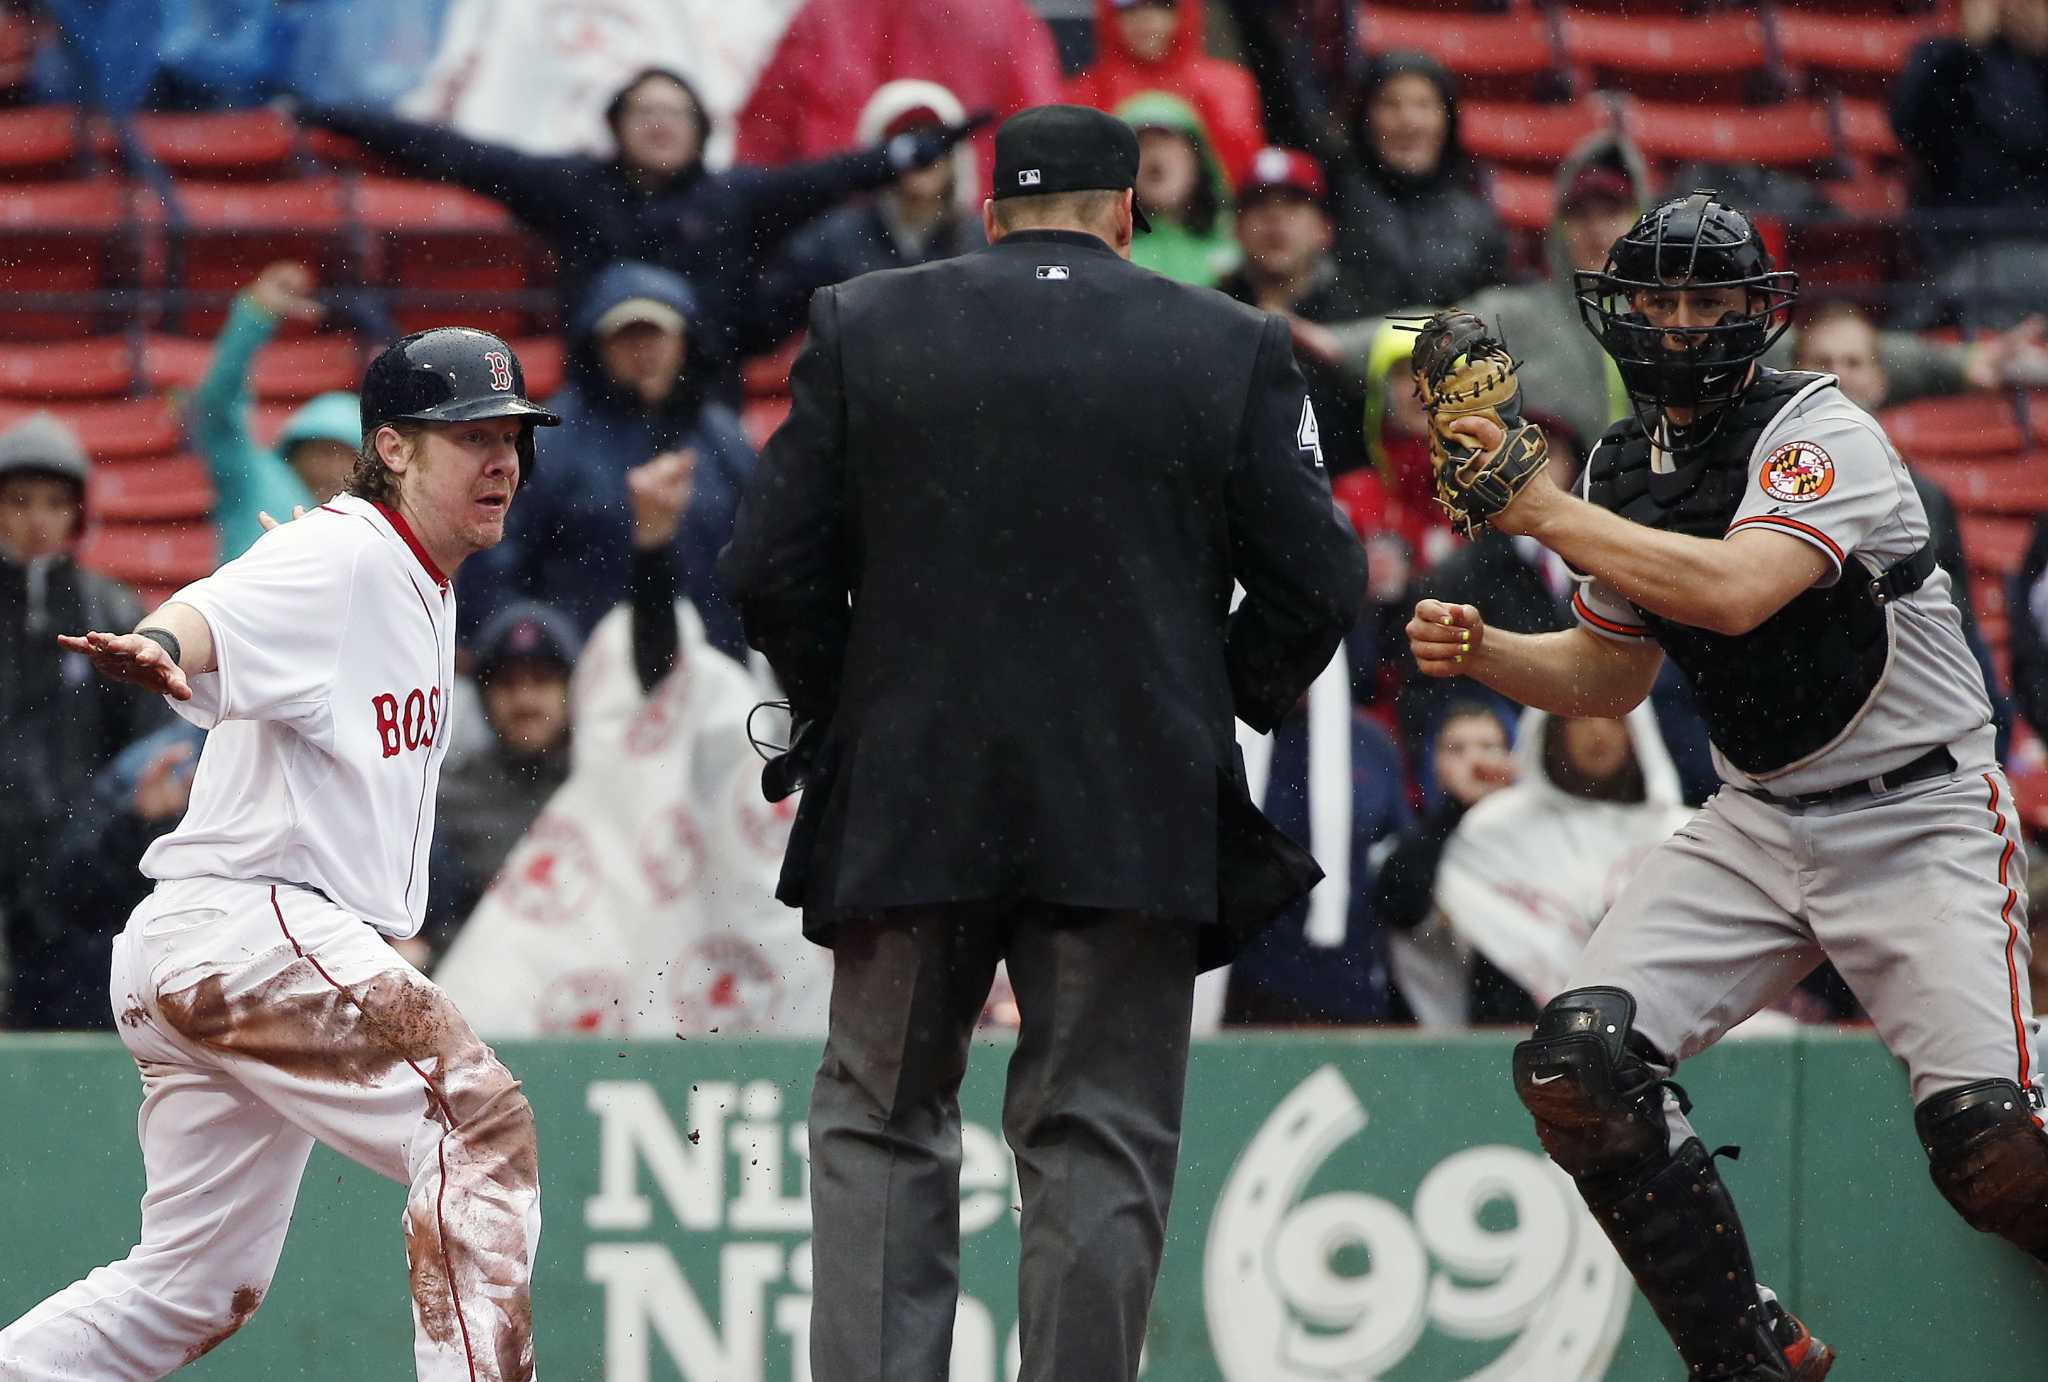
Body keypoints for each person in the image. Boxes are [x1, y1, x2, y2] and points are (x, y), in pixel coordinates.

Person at [719, 104, 1364, 1382]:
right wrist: (1212, 695)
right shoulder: (1228, 341)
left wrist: (843, 701)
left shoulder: (865, 321)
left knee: (882, 1119)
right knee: (1094, 1137)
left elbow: (763, 568)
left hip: (910, 798)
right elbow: (1319, 580)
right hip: (1130, 806)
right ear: (1128, 215)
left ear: (986, 207)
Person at [1409, 190, 2046, 1380]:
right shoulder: (1616, 461)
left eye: (1711, 299)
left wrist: (1536, 508)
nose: (1685, 323)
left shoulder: (1822, 429)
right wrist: (1488, 650)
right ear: (1621, 307)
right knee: (1573, 1064)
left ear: (1758, 317)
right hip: (1753, 819)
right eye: (1662, 296)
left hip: (1917, 815)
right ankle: (1742, 1352)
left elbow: (1738, 589)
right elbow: (1607, 673)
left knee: (1989, 1154)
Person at [0, 329, 559, 1378]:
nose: (502, 461)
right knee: (479, 1126)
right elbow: (208, 610)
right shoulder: (341, 553)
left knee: (189, 1288)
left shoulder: (409, 574)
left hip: (216, 949)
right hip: (250, 927)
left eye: (512, 438)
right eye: (471, 436)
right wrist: (161, 642)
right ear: (391, 447)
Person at [300, 67, 983, 395]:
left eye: (677, 111)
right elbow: (461, 158)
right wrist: (338, 118)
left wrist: (906, 154)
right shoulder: (573, 190)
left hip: (705, 411)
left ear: (700, 129)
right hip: (593, 412)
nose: (660, 123)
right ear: (618, 124)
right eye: (645, 110)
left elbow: (830, 178)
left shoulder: (735, 199)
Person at [458, 261, 756, 656]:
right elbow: (495, 567)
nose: (643, 351)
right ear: (596, 346)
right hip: (581, 679)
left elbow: (762, 560)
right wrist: (526, 663)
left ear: (685, 342)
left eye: (656, 335)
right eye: (627, 336)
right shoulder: (545, 444)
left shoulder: (725, 438)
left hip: (713, 676)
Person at [0, 412, 168, 1029]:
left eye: (53, 502)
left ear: (77, 512)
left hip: (89, 861)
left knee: (82, 1030)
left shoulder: (112, 608)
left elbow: (145, 738)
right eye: (18, 501)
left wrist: (134, 812)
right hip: (8, 859)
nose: (36, 519)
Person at [1433, 707, 1692, 1020]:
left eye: (1614, 716)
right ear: (1551, 728)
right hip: (1517, 1035)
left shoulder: (1681, 836)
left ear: (1636, 729)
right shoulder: (1494, 828)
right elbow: (1415, 922)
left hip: (1658, 1038)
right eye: (1578, 717)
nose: (1597, 730)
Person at [757, 79, 988, 346]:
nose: (925, 155)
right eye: (909, 139)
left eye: (937, 139)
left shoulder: (982, 242)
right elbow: (764, 320)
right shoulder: (834, 240)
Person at [1462, 133, 1646, 453]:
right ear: (1559, 228)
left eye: (1611, 213)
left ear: (1640, 219)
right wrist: (1344, 345)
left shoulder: (1675, 314)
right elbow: (1431, 331)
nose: (1596, 229)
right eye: (1581, 216)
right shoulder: (1517, 313)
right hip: (1556, 497)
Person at [430, 600, 581, 955]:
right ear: (483, 697)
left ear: (572, 690)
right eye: (508, 684)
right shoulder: (444, 800)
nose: (525, 700)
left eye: (542, 680)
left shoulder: (601, 787)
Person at [186, 261, 363, 561]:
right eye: (323, 452)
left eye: (346, 455)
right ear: (295, 452)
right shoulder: (254, 477)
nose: (333, 468)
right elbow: (218, 405)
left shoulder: (368, 520)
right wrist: (254, 315)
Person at [1890, 0, 2048, 328]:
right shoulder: (1942, 58)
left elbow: (2030, 135)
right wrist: (1968, 49)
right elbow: (1912, 129)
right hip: (1967, 249)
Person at [1218, 145, 1373, 477]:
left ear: (1324, 230)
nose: (1275, 219)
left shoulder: (1358, 315)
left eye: (1293, 205)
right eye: (1259, 206)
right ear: (1236, 229)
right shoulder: (1210, 311)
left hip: (1341, 501)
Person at [1375, 700, 1520, 1025]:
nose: (1475, 759)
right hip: (1439, 1029)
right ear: (1437, 762)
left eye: (1488, 746)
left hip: (1519, 1028)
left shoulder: (1537, 843)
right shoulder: (1415, 846)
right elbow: (1403, 905)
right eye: (1457, 749)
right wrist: (1460, 810)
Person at [1330, 51, 1507, 317]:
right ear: (1365, 119)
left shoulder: (1477, 220)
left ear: (1447, 121)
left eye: (1424, 105)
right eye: (1390, 105)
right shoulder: (1332, 199)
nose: (1409, 122)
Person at [1063, 0, 1265, 186]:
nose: (1146, 19)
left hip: (1206, 219)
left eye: (1161, 5)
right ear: (1109, 17)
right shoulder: (1083, 93)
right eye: (1130, 8)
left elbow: (1241, 175)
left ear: (1184, 12)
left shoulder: (1227, 85)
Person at [1117, 90, 1241, 287]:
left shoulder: (1239, 244)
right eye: (1143, 145)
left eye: (1167, 143)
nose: (1156, 157)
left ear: (1198, 158)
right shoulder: (1107, 252)